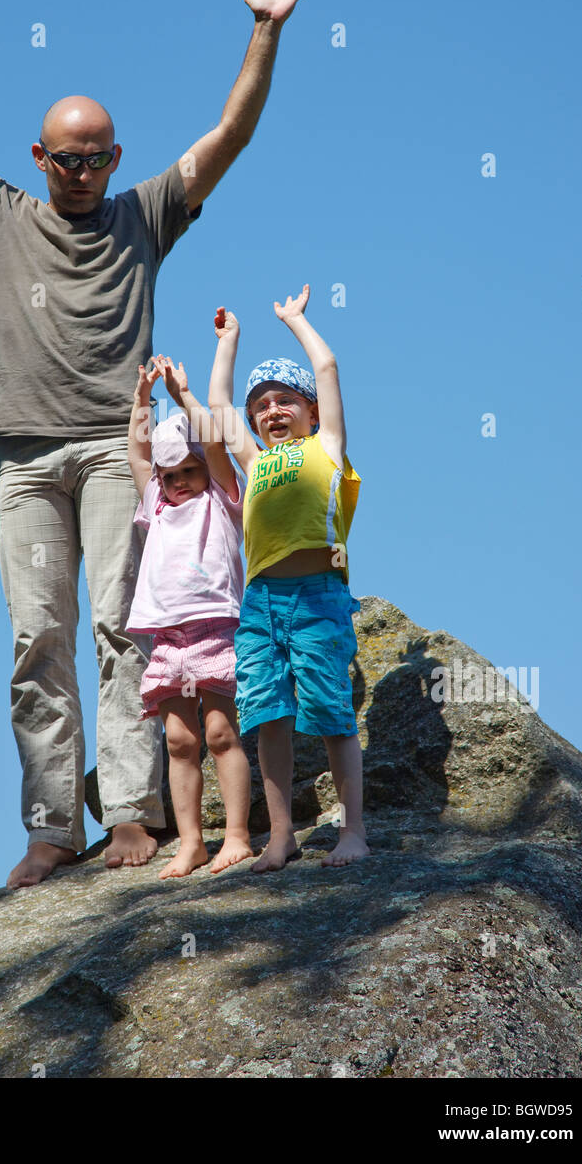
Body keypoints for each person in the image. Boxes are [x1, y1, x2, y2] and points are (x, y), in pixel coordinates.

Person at [0, 0, 317, 886]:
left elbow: (229, 136)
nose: (82, 172)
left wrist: (265, 35)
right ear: (40, 156)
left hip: (124, 454)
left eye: (97, 158)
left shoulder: (143, 216)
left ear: (117, 159)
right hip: (27, 457)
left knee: (128, 630)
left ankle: (130, 814)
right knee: (39, 642)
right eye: (67, 159)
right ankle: (48, 829)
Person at [207, 284, 370, 871]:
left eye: (285, 401)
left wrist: (296, 322)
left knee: (329, 710)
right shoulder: (255, 462)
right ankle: (281, 835)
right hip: (260, 604)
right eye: (263, 406)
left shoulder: (327, 446)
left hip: (317, 597)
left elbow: (326, 366)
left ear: (311, 411)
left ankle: (353, 831)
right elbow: (220, 412)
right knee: (266, 714)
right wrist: (229, 343)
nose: (272, 411)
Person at [126, 357, 252, 878]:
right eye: (170, 474)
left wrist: (182, 398)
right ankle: (191, 842)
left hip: (215, 628)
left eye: (188, 471)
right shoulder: (155, 502)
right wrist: (141, 401)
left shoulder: (222, 498)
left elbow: (217, 446)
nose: (179, 481)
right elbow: (137, 452)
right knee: (179, 741)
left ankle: (239, 835)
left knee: (221, 733)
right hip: (168, 637)